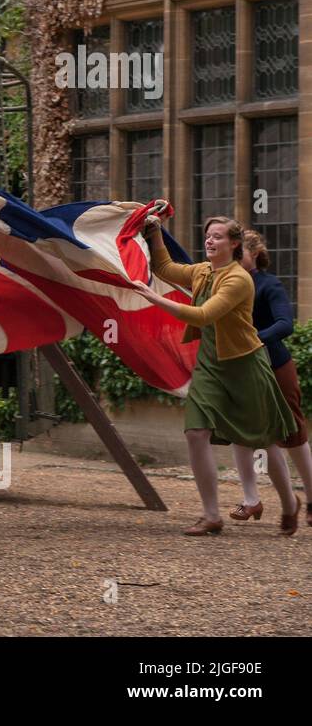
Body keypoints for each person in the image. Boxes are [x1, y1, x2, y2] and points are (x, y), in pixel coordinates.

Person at [133, 211, 300, 536]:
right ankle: (211, 515)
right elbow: (166, 268)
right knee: (196, 433)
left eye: (218, 236)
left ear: (234, 243)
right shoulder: (202, 271)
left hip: (246, 366)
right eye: (208, 235)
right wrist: (155, 233)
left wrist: (155, 299)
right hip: (210, 366)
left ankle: (290, 503)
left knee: (264, 441)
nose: (210, 240)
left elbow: (204, 315)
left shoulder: (239, 279)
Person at [228, 229, 312, 526]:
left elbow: (285, 324)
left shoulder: (268, 284)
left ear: (253, 254)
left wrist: (254, 340)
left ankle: (310, 499)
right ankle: (254, 499)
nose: (234, 259)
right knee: (242, 432)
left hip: (275, 366)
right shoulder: (223, 284)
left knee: (293, 433)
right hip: (240, 369)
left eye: (240, 254)